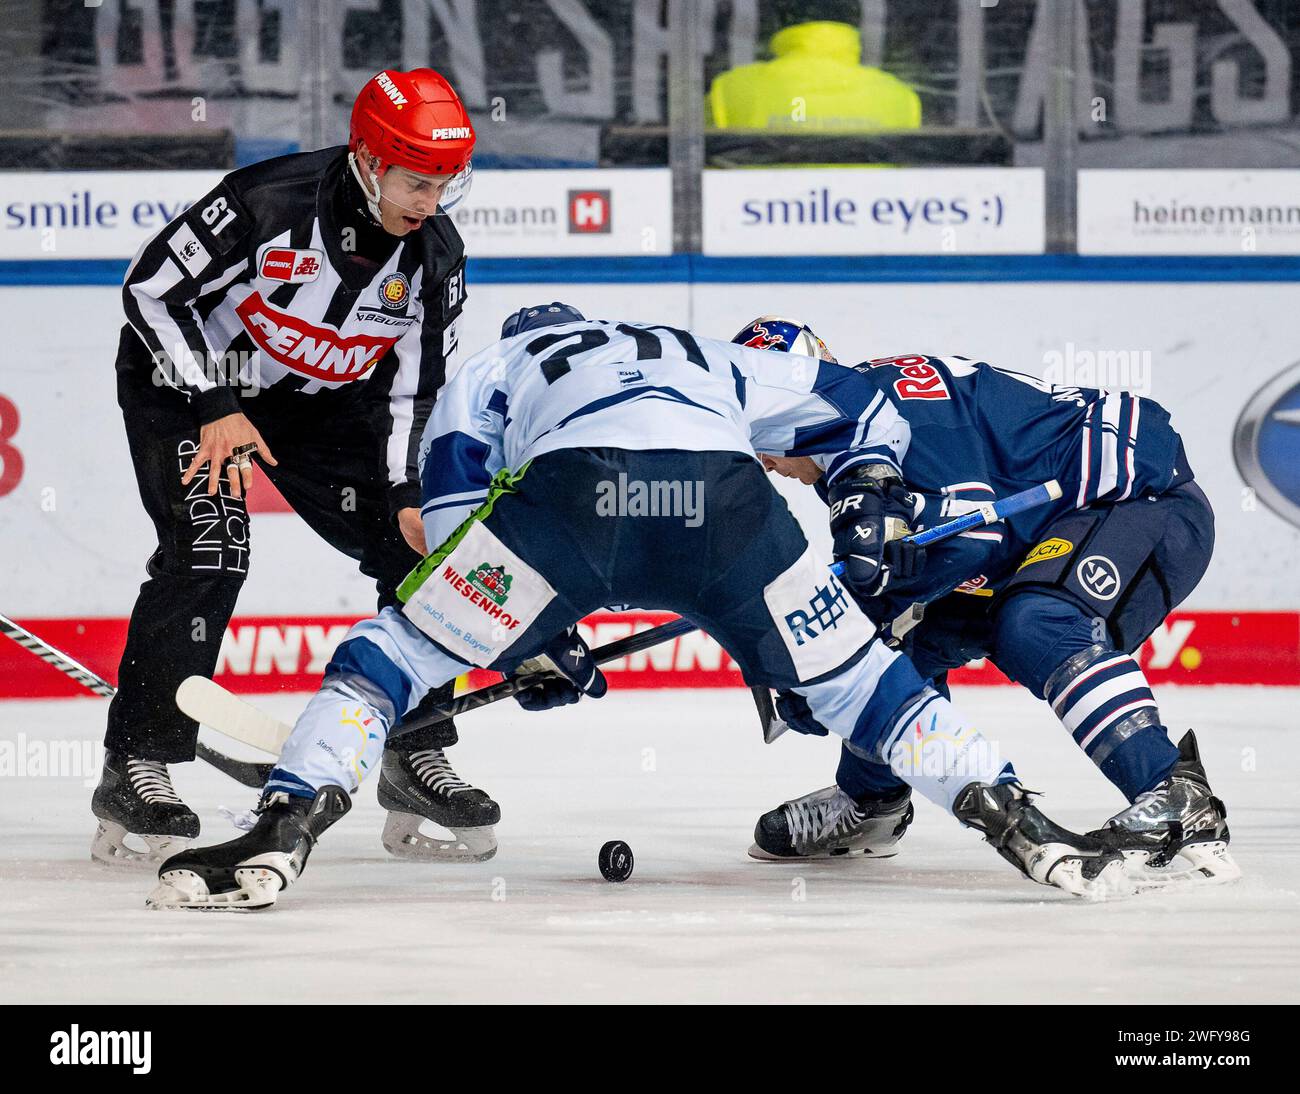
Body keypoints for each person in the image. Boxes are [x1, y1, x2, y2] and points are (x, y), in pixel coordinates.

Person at [145, 305, 1131, 911]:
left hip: (577, 504)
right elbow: (863, 409)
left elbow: (450, 516)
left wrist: (532, 639)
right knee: (864, 683)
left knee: (390, 650)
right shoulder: (702, 351)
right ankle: (1023, 821)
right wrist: (863, 492)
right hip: (726, 512)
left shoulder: (495, 367)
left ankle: (285, 820)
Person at [93, 68, 499, 869]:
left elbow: (424, 391)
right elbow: (151, 293)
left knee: (417, 552)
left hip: (324, 406)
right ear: (369, 161)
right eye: (418, 182)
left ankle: (413, 749)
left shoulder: (435, 256)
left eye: (447, 184)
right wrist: (212, 400)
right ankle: (136, 763)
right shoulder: (266, 202)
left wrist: (413, 493)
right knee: (209, 551)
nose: (431, 201)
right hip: (191, 387)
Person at [731, 320, 1237, 889]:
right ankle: (872, 804)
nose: (765, 460)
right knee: (899, 648)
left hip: (1139, 500)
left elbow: (970, 540)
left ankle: (1178, 797)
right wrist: (852, 636)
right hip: (1037, 526)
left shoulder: (889, 420)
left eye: (763, 432)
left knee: (1037, 623)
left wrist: (834, 644)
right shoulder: (848, 435)